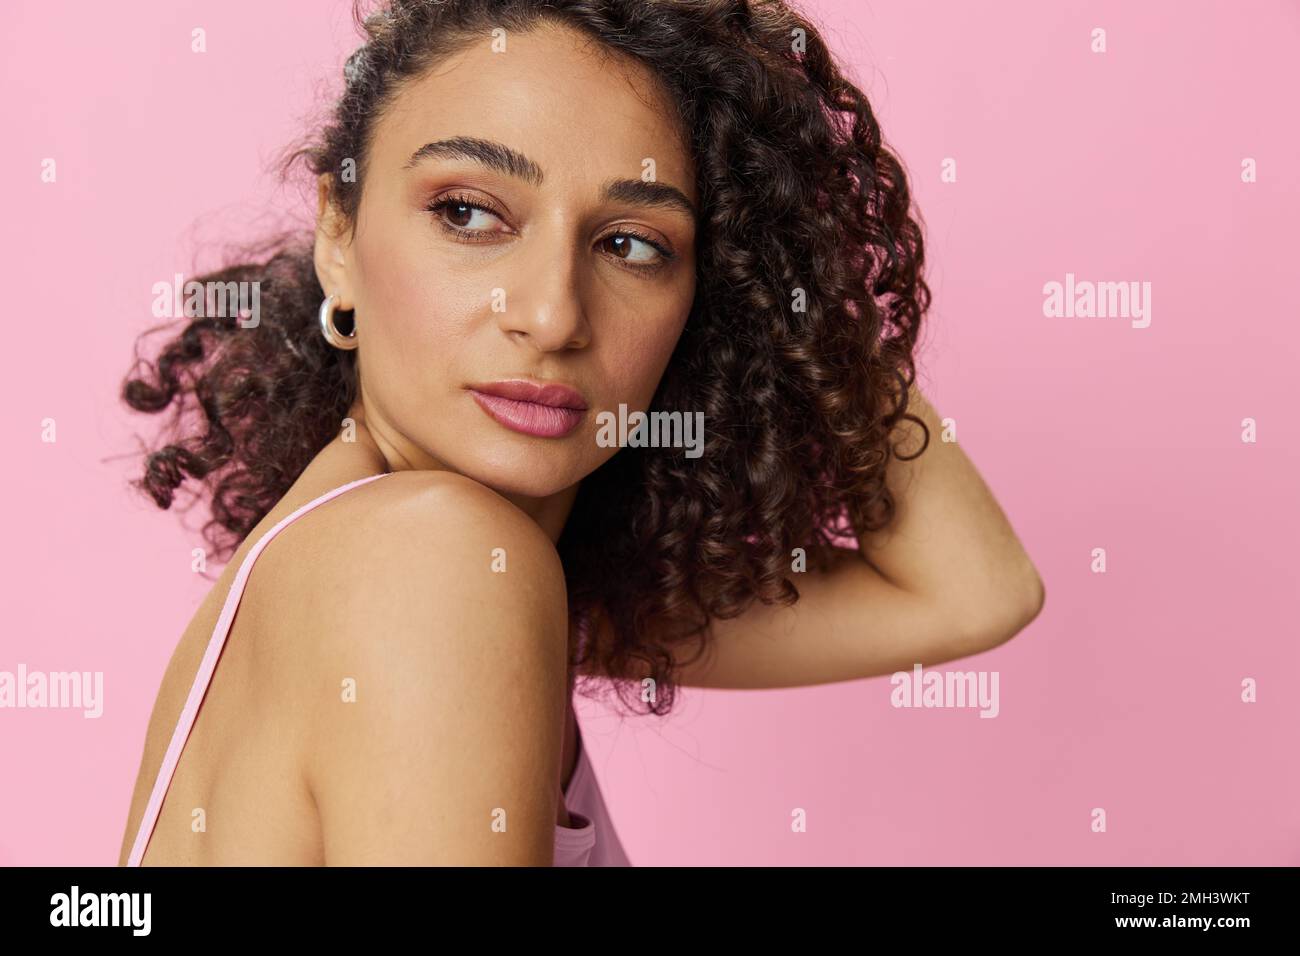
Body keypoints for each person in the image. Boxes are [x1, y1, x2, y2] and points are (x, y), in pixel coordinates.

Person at [116, 0, 1044, 866]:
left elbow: (974, 592)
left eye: (633, 244)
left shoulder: (415, 567)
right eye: (469, 213)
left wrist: (790, 272)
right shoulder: (432, 562)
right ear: (338, 237)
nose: (554, 314)